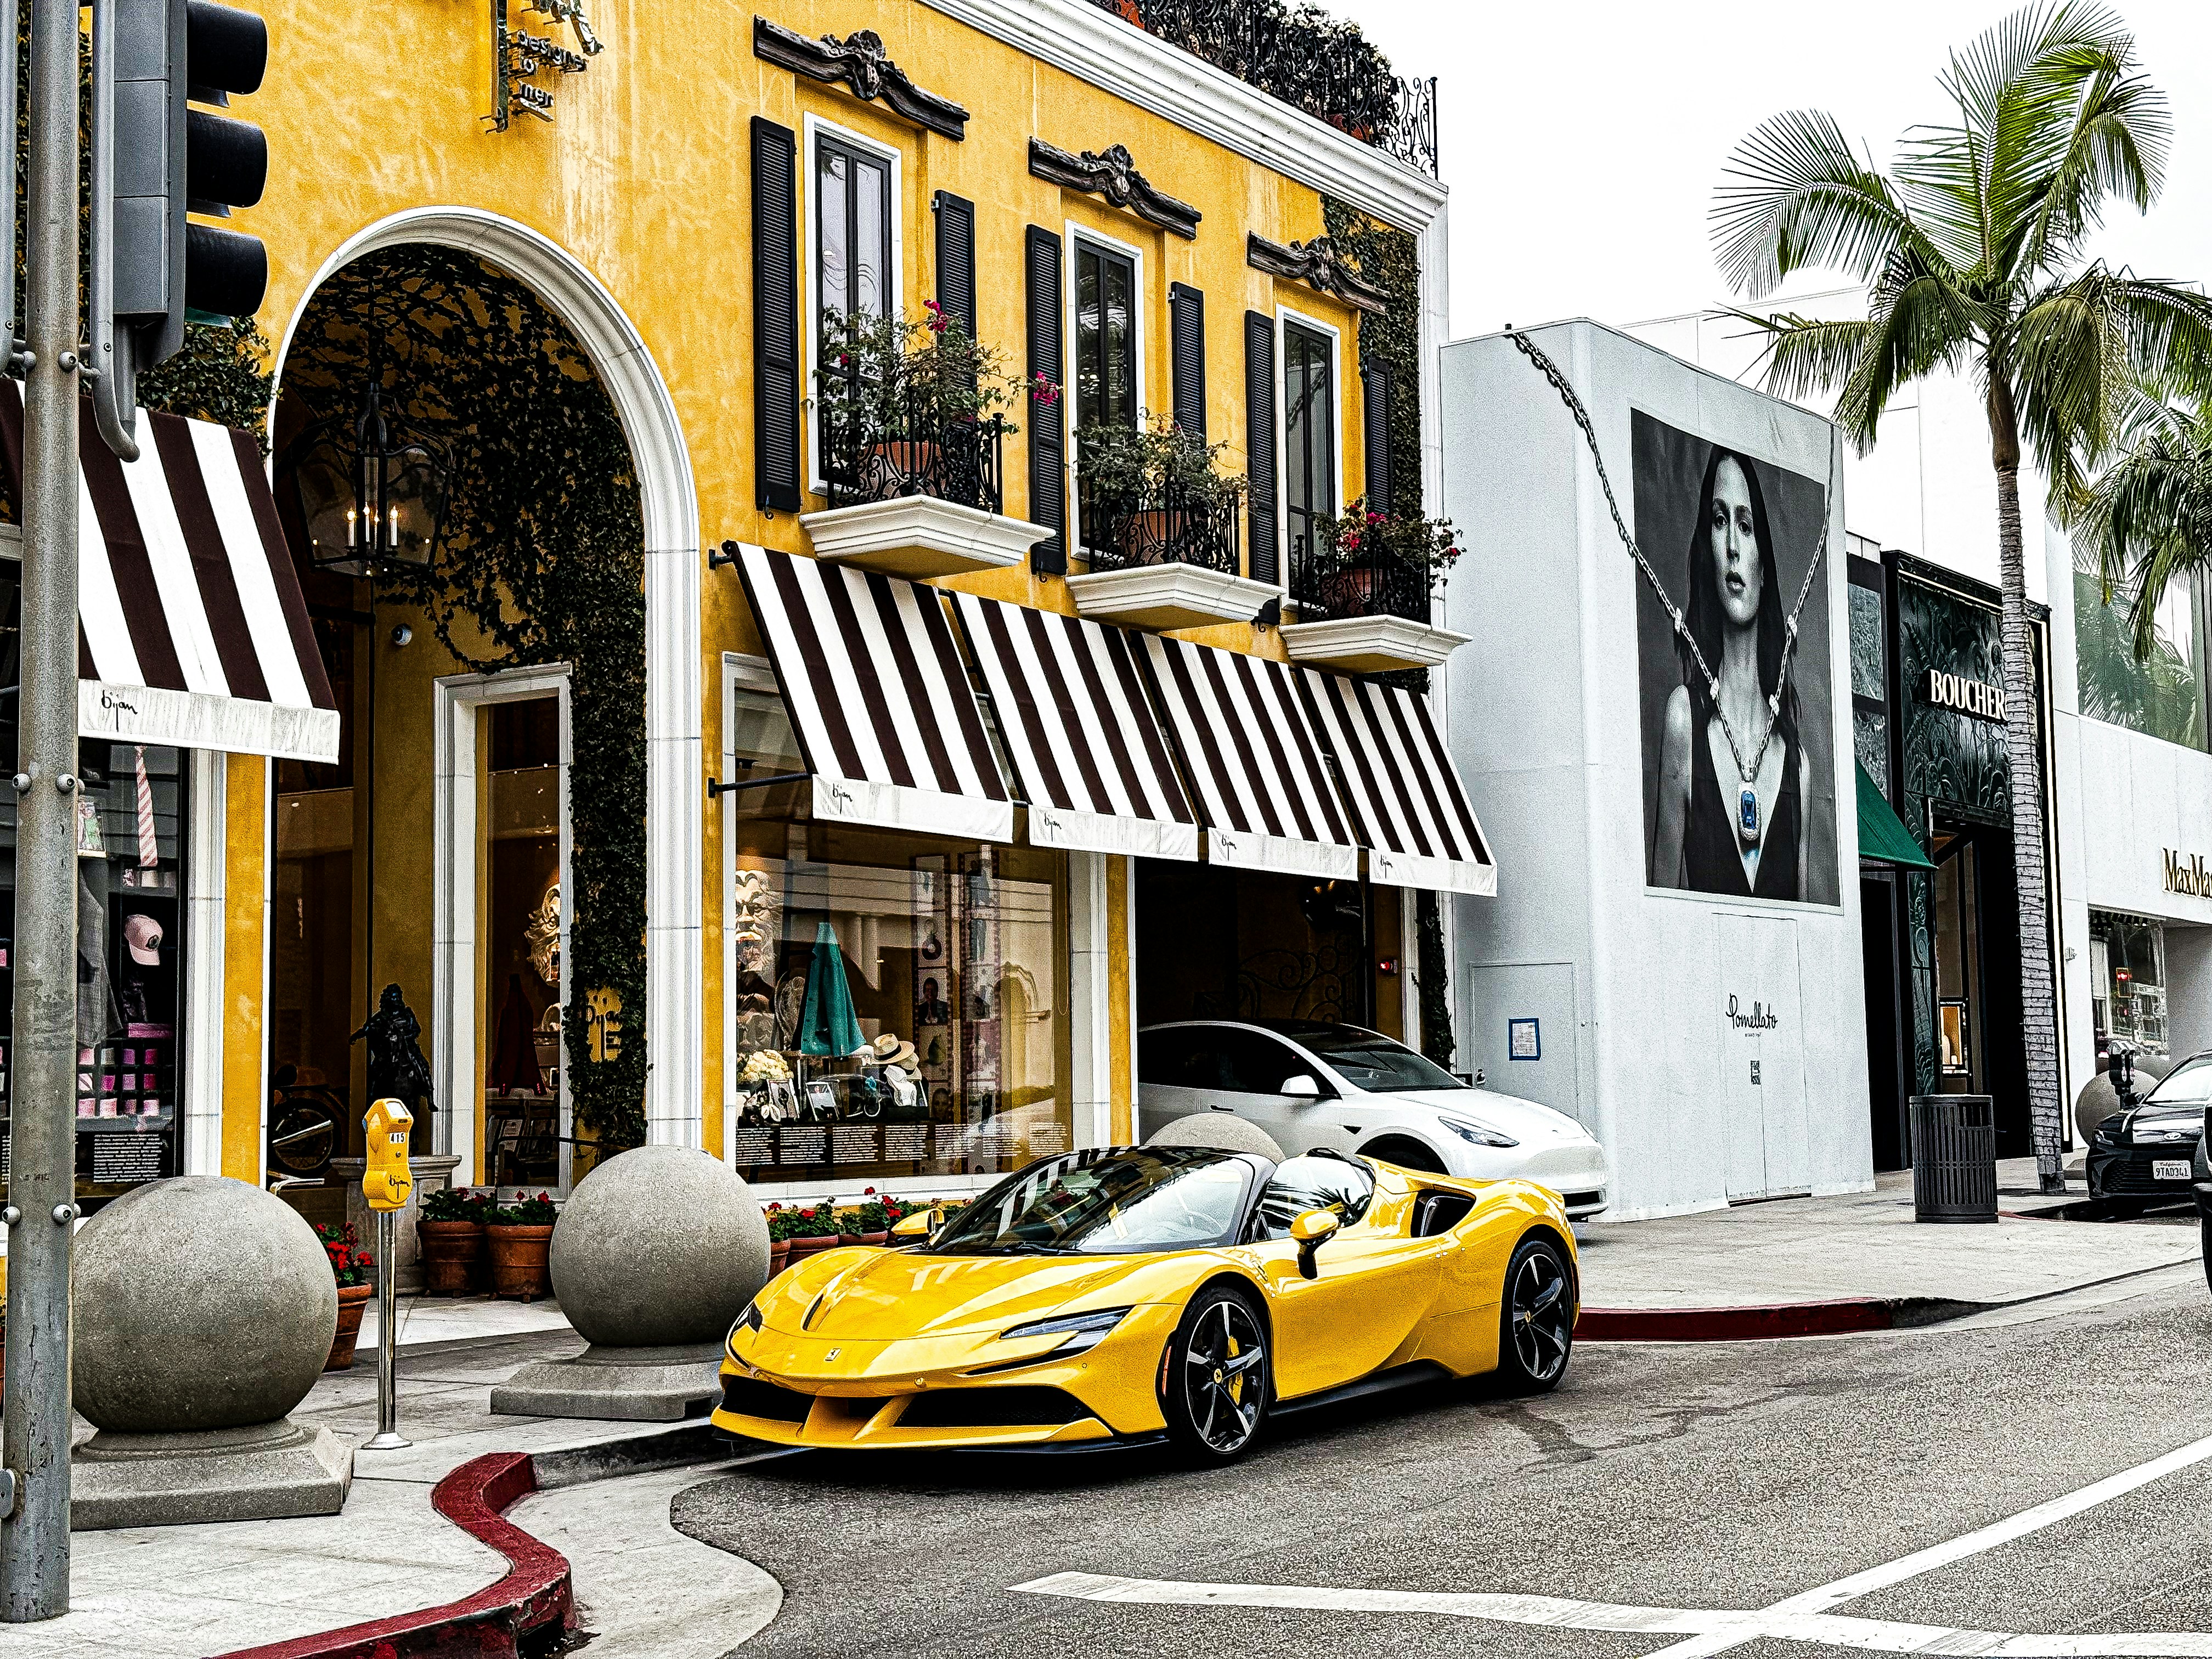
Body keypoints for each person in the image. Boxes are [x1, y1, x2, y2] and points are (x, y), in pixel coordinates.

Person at [1651, 447, 1811, 899]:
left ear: (1764, 567)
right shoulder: (1684, 718)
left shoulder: (1798, 766)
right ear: (1707, 552)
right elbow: (1661, 909)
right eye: (1720, 522)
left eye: (1746, 525)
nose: (1733, 549)